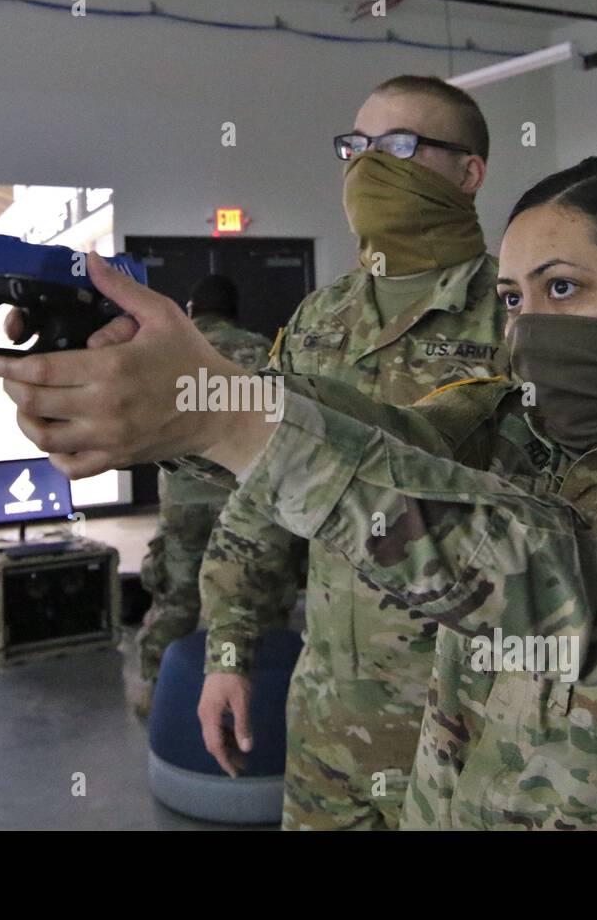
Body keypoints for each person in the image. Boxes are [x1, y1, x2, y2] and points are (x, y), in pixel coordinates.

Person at [0, 157, 597, 829]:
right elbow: (368, 434)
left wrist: (234, 422)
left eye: (565, 287)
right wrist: (179, 378)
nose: (530, 326)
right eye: (515, 299)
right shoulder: (515, 432)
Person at [197, 75, 508, 828]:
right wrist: (229, 650)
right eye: (356, 147)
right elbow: (264, 488)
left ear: (468, 174)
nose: (368, 166)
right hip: (334, 711)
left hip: (481, 722)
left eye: (400, 147)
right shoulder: (321, 317)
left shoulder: (517, 315)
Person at [130, 274, 283, 716]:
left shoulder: (170, 349)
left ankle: (157, 695)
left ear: (192, 309)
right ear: (235, 311)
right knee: (253, 599)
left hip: (183, 499)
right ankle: (251, 698)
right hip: (247, 502)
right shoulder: (261, 348)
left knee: (176, 598)